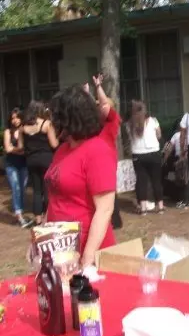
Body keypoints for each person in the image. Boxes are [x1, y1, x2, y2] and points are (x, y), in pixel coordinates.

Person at [44, 84, 117, 268]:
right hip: (60, 250)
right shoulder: (62, 150)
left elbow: (105, 209)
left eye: (57, 117)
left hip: (87, 251)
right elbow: (54, 199)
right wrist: (41, 240)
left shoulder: (97, 151)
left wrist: (87, 258)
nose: (53, 122)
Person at [85, 75, 123, 229]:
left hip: (107, 160)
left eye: (99, 105)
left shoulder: (113, 120)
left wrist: (98, 87)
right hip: (93, 159)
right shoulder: (95, 123)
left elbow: (104, 104)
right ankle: (104, 218)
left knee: (108, 190)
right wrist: (86, 95)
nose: (98, 107)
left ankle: (114, 220)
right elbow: (89, 110)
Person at [21, 101, 58, 225]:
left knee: (36, 190)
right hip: (46, 159)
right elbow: (54, 144)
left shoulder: (23, 127)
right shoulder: (46, 124)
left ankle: (38, 218)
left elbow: (21, 146)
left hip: (31, 160)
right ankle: (48, 217)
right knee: (47, 189)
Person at [127, 100, 164, 215]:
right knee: (156, 180)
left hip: (138, 154)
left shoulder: (129, 124)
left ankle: (143, 208)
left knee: (141, 180)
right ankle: (160, 207)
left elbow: (129, 139)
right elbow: (159, 135)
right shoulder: (153, 121)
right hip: (153, 152)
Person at [3, 108, 31, 227]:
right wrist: (19, 150)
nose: (15, 120)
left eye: (17, 117)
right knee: (16, 188)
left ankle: (20, 211)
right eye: (12, 118)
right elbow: (7, 149)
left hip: (23, 164)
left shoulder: (25, 130)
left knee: (23, 189)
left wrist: (15, 149)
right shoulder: (7, 132)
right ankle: (19, 215)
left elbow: (26, 149)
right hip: (11, 165)